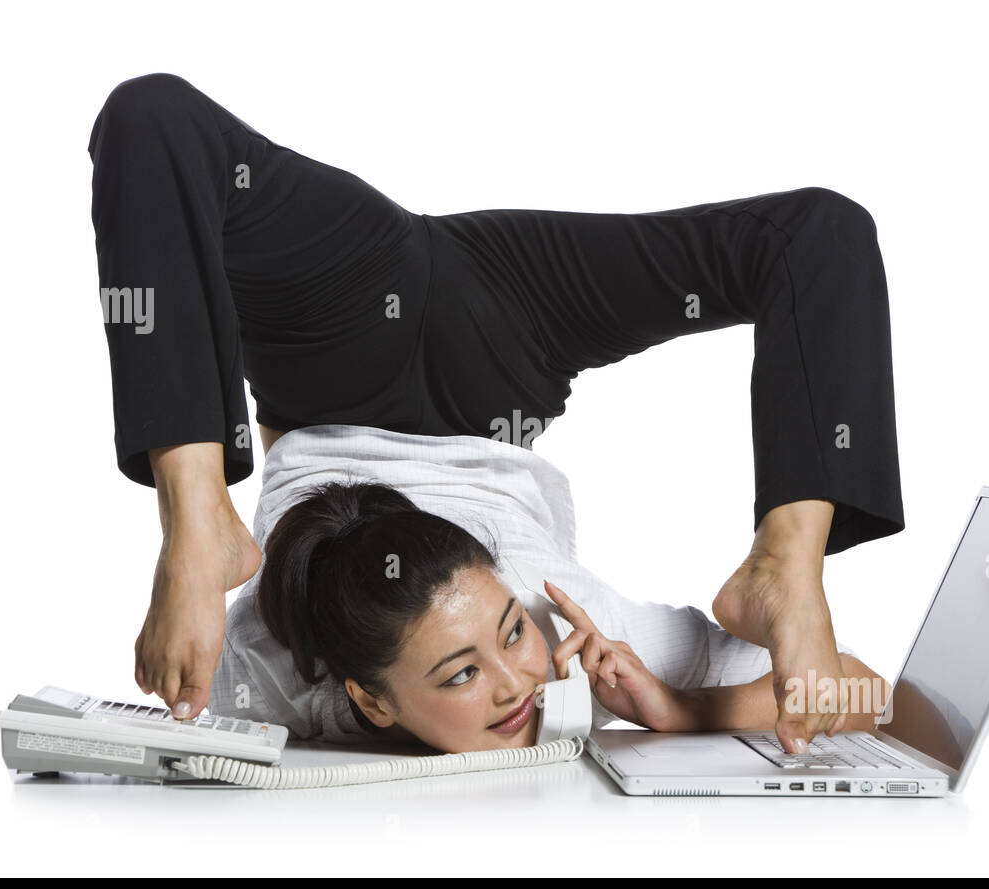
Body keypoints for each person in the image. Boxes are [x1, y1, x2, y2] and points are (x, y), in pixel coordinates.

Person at [86, 72, 905, 755]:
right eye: (472, 664)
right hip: (504, 348)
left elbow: (150, 120)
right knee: (817, 232)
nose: (521, 680)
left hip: (336, 337)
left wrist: (188, 526)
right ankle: (785, 569)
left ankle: (784, 569)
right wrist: (675, 710)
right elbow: (854, 690)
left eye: (492, 649)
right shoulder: (568, 647)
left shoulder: (257, 673)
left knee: (152, 119)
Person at [206, 427, 888, 754]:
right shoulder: (255, 678)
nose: (519, 685)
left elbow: (863, 691)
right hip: (306, 433)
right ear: (370, 701)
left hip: (473, 428)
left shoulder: (566, 629)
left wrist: (677, 707)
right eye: (462, 673)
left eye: (509, 633)